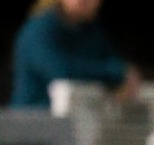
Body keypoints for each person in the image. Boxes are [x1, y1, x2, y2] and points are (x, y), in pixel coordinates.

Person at [8, 0, 138, 109]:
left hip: (73, 124)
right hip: (30, 124)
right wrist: (117, 72)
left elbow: (114, 62)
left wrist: (124, 75)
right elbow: (63, 72)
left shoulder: (90, 32)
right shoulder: (38, 31)